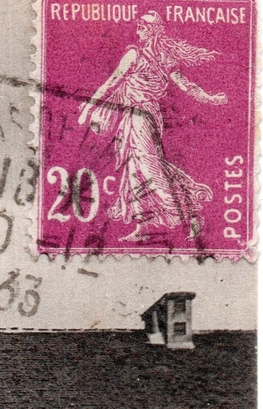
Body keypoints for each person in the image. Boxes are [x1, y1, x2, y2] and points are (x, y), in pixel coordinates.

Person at [77, 11, 228, 242]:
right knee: (135, 167)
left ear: (154, 30)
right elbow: (112, 83)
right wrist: (89, 107)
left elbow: (184, 84)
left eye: (144, 25)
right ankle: (146, 225)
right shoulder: (134, 54)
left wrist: (210, 98)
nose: (139, 27)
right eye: (139, 24)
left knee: (149, 167)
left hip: (143, 115)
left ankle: (189, 216)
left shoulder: (154, 56)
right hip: (135, 114)